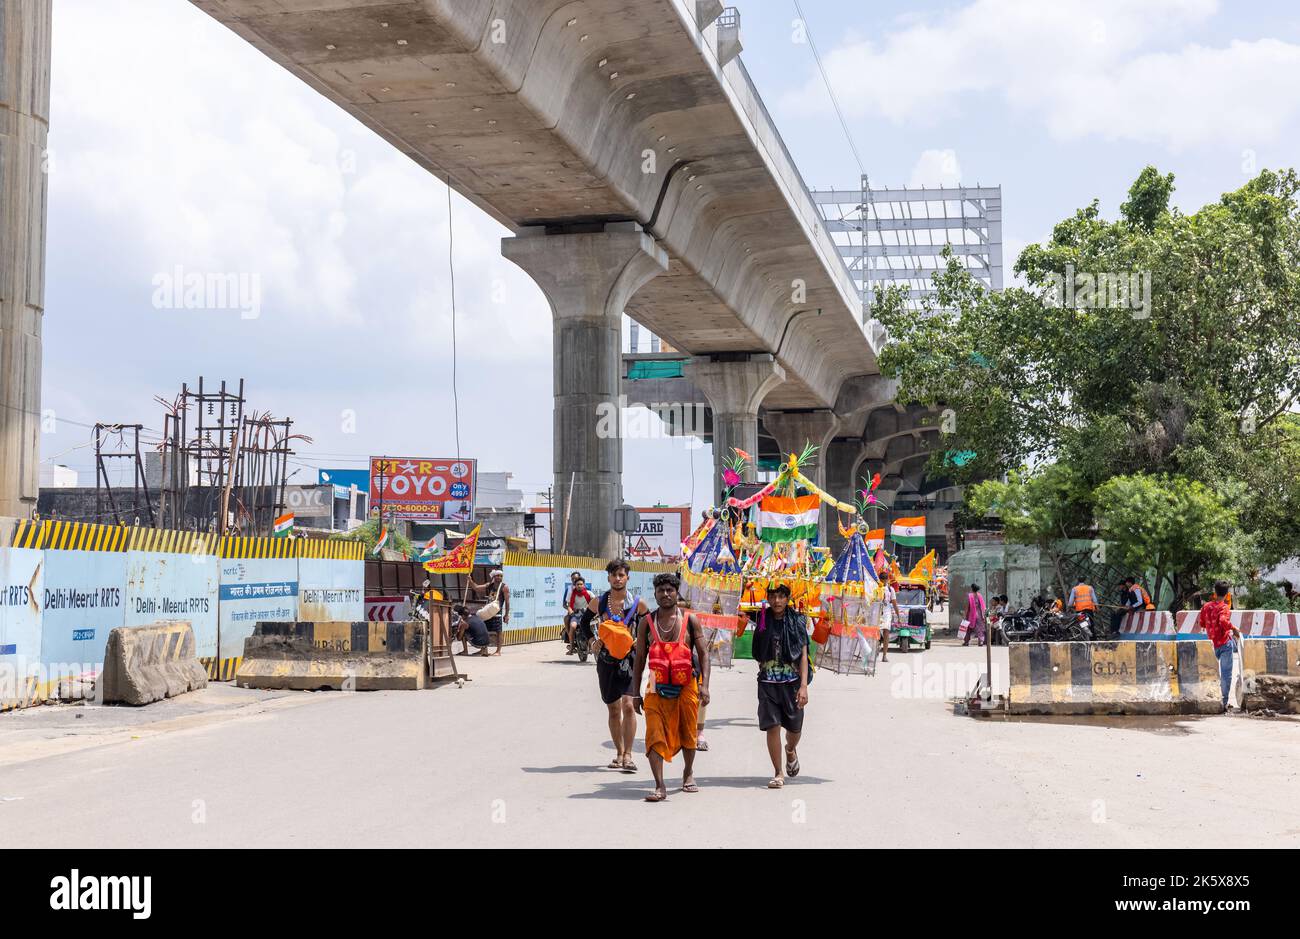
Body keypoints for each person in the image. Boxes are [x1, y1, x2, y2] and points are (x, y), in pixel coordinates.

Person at [627, 572, 710, 802]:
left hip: (687, 685)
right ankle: (659, 785)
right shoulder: (647, 622)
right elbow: (640, 659)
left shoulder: (690, 620)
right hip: (655, 683)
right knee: (653, 732)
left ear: (676, 593)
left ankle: (688, 772)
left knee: (688, 732)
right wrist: (635, 693)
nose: (665, 594)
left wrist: (705, 686)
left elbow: (704, 654)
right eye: (661, 590)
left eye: (670, 590)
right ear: (654, 594)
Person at [584, 559, 649, 773]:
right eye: (614, 575)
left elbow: (649, 628)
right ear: (608, 578)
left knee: (629, 705)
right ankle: (619, 753)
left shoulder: (638, 604)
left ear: (628, 577)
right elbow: (584, 624)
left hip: (629, 661)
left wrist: (641, 642)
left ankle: (629, 755)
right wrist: (593, 641)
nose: (618, 578)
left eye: (621, 575)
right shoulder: (599, 602)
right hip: (606, 661)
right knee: (613, 709)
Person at [749, 583, 809, 790]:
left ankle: (790, 750)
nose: (777, 601)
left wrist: (803, 686)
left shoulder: (798, 621)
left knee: (794, 728)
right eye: (773, 596)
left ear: (787, 598)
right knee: (772, 726)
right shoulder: (762, 618)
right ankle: (778, 772)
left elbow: (803, 655)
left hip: (791, 683)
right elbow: (757, 648)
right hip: (767, 683)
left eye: (781, 596)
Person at [1197, 581, 1243, 712]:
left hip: (1211, 644)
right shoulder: (1224, 607)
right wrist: (1233, 628)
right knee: (1226, 674)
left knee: (1210, 673)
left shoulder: (1206, 606)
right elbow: (1223, 621)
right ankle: (1223, 702)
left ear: (1214, 592)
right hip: (1224, 644)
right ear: (1227, 594)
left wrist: (1211, 625)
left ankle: (1211, 699)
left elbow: (1201, 623)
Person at [467, 569, 510, 655]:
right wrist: (470, 581)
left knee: (498, 632)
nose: (499, 577)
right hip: (487, 613)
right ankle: (484, 649)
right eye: (497, 575)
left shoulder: (504, 587)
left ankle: (498, 651)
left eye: (501, 576)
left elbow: (507, 601)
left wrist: (506, 614)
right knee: (484, 631)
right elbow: (476, 588)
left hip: (497, 613)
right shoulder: (490, 585)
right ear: (494, 577)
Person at [564, 575, 594, 654]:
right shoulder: (571, 594)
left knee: (593, 626)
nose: (579, 586)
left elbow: (595, 602)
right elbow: (569, 606)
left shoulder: (589, 593)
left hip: (587, 615)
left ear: (584, 585)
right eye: (578, 584)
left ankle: (592, 646)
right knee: (573, 626)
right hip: (576, 615)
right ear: (575, 585)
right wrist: (571, 612)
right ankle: (571, 647)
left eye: (581, 584)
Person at [879, 578, 902, 662]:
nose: (884, 581)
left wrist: (898, 616)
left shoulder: (890, 589)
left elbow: (894, 603)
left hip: (886, 613)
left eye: (885, 580)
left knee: (886, 633)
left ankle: (884, 655)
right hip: (877, 612)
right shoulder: (875, 587)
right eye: (883, 580)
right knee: (875, 633)